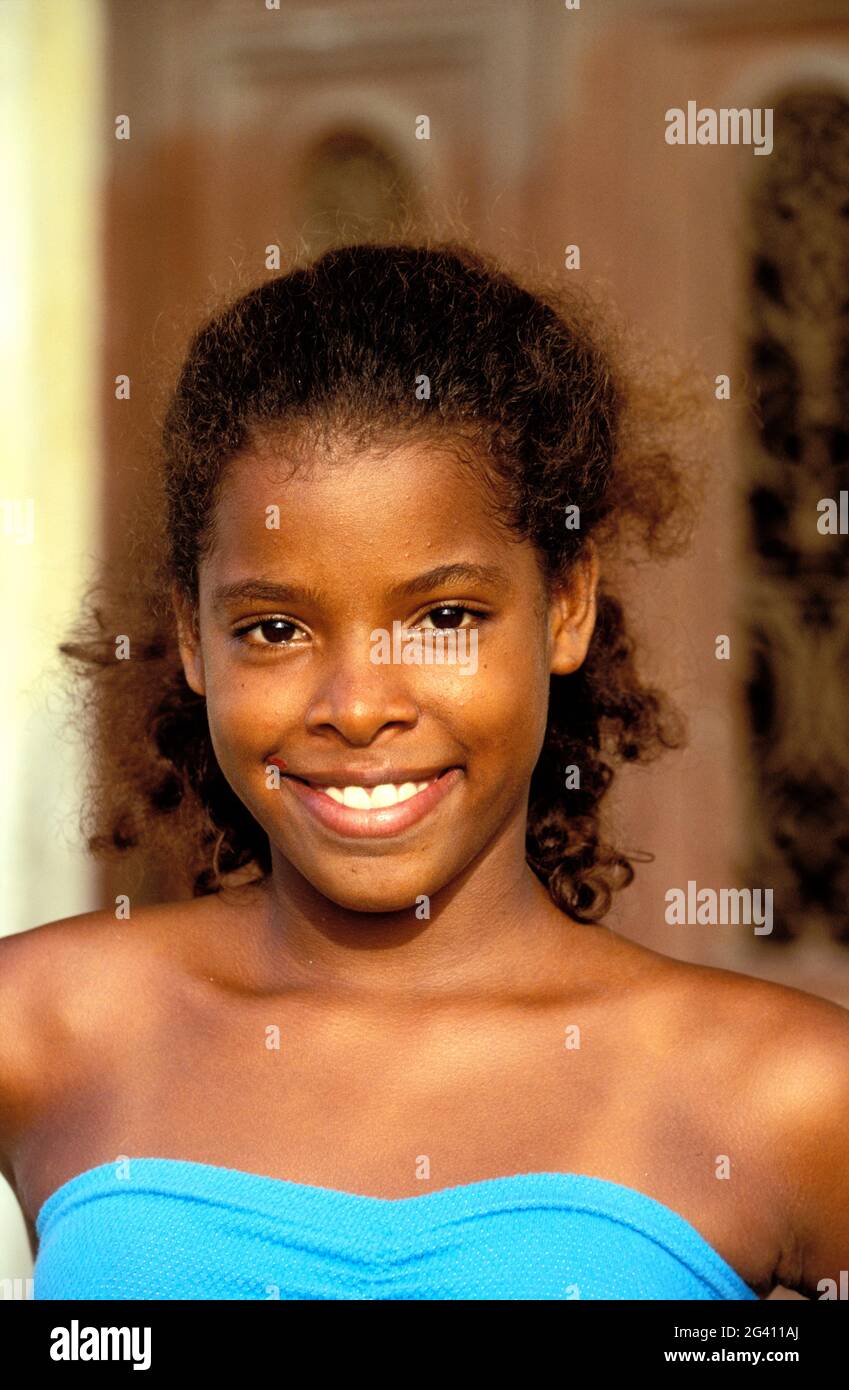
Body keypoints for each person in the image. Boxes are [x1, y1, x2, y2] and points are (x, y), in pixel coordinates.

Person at [1, 240, 847, 1300]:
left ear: (567, 603)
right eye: (273, 627)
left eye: (445, 618)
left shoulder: (793, 1097)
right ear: (189, 634)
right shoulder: (43, 1025)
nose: (358, 705)